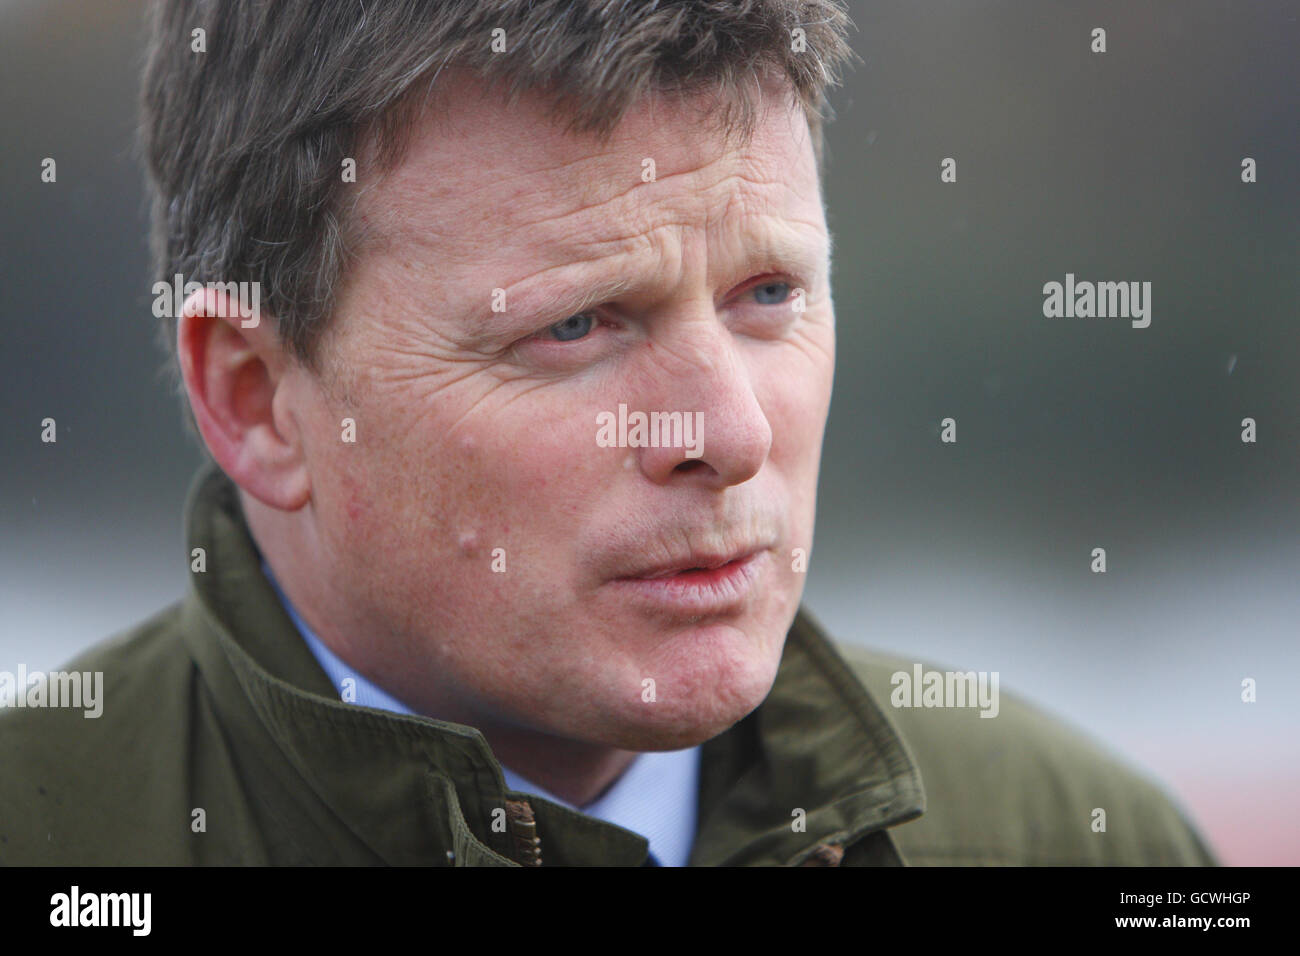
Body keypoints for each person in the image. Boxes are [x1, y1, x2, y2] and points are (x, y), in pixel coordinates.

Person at [0, 0, 1215, 866]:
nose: (730, 432)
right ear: (259, 400)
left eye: (770, 295)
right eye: (578, 324)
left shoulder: (1077, 836)